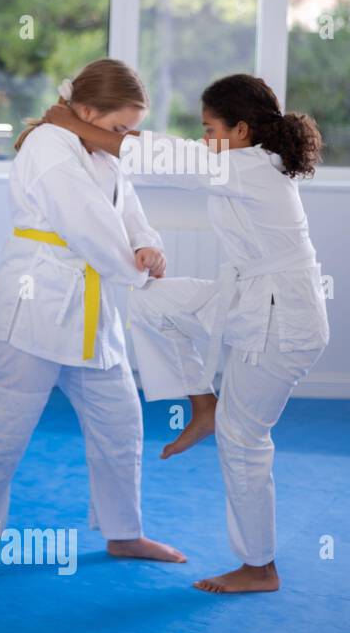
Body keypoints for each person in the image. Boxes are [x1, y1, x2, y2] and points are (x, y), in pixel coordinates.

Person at [42, 73, 329, 594]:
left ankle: (258, 567)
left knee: (244, 441)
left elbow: (158, 157)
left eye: (208, 128)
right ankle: (203, 404)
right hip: (247, 298)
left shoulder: (250, 167)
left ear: (241, 130)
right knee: (152, 300)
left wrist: (67, 121)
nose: (201, 139)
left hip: (283, 322)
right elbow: (165, 157)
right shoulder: (242, 163)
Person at [0, 59, 187, 579]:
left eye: (130, 129)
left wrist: (148, 247)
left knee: (121, 423)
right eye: (118, 128)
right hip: (35, 308)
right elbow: (89, 225)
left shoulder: (103, 152)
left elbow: (129, 211)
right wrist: (135, 273)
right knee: (3, 432)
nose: (124, 139)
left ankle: (123, 532)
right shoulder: (49, 146)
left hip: (91, 316)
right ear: (85, 111)